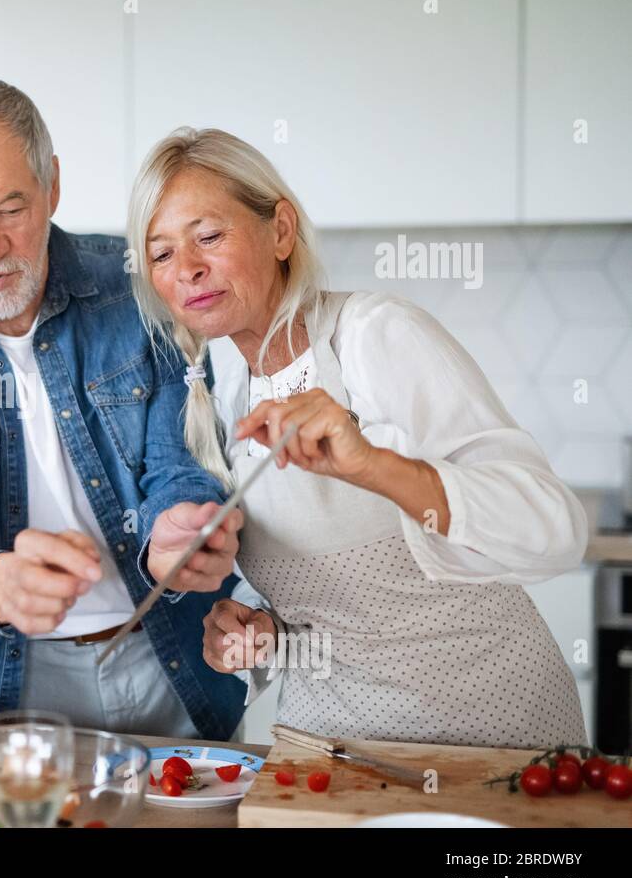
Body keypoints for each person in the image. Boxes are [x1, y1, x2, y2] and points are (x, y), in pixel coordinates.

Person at [129, 126, 588, 748]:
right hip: (334, 756)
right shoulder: (224, 391)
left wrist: (372, 464)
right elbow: (338, 614)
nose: (187, 270)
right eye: (161, 254)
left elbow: (556, 532)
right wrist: (263, 635)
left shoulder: (376, 336)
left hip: (491, 742)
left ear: (280, 231)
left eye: (209, 236)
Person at [0, 77, 258, 740]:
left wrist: (174, 532)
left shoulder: (142, 290)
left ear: (51, 185)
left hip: (167, 658)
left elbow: (185, 457)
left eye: (11, 209)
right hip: (1, 682)